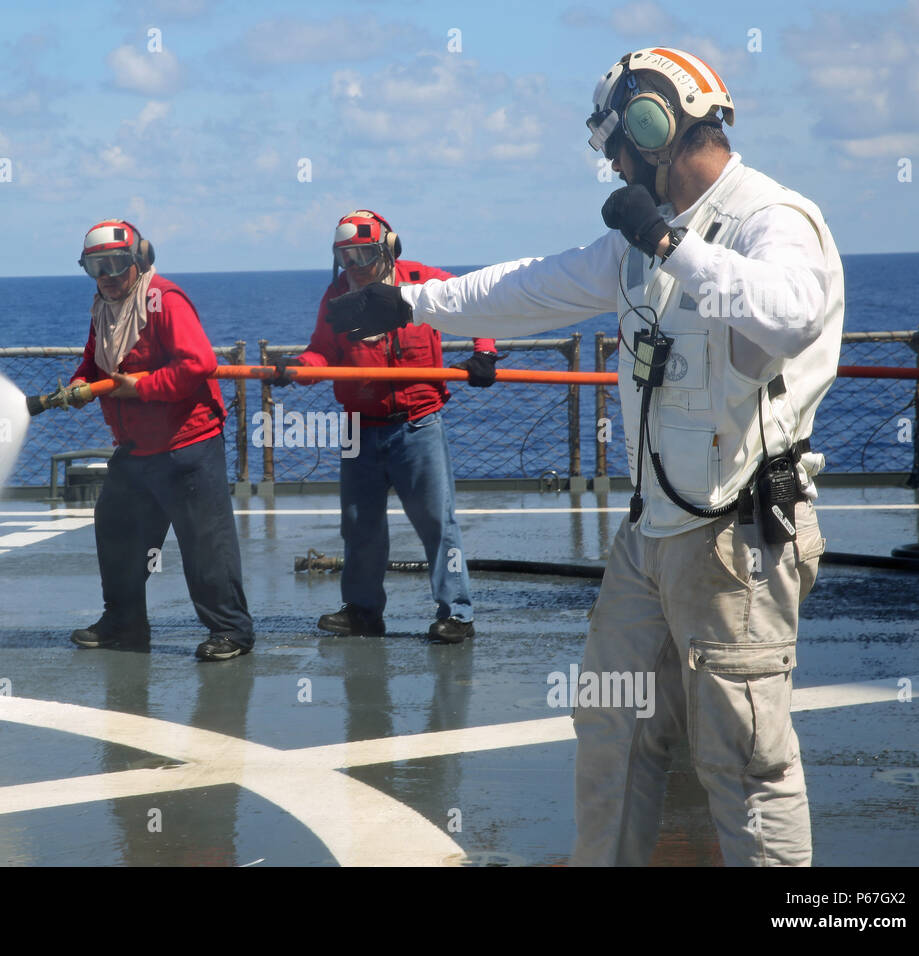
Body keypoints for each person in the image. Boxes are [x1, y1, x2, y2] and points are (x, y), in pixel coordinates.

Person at [325, 48, 842, 865]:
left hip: (737, 542)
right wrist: (414, 300)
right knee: (613, 727)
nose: (611, 164)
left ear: (654, 126)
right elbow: (532, 286)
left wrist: (671, 243)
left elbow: (789, 315)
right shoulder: (642, 242)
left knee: (745, 761)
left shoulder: (771, 218)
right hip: (653, 536)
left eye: (617, 145)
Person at [273, 209, 499, 644]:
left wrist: (484, 353)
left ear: (389, 249)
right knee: (360, 525)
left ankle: (457, 614)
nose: (356, 266)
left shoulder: (422, 280)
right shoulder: (337, 296)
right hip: (359, 427)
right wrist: (298, 368)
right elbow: (322, 352)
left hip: (417, 425)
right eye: (347, 257)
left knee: (437, 522)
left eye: (364, 254)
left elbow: (477, 306)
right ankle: (362, 612)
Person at [66, 219, 255, 662]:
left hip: (187, 444)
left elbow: (198, 363)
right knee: (117, 531)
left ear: (140, 260)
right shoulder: (104, 309)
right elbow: (95, 364)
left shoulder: (163, 301)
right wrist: (79, 385)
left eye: (116, 264)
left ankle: (231, 631)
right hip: (136, 447)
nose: (108, 276)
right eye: (97, 267)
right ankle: (124, 624)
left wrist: (142, 388)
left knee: (205, 543)